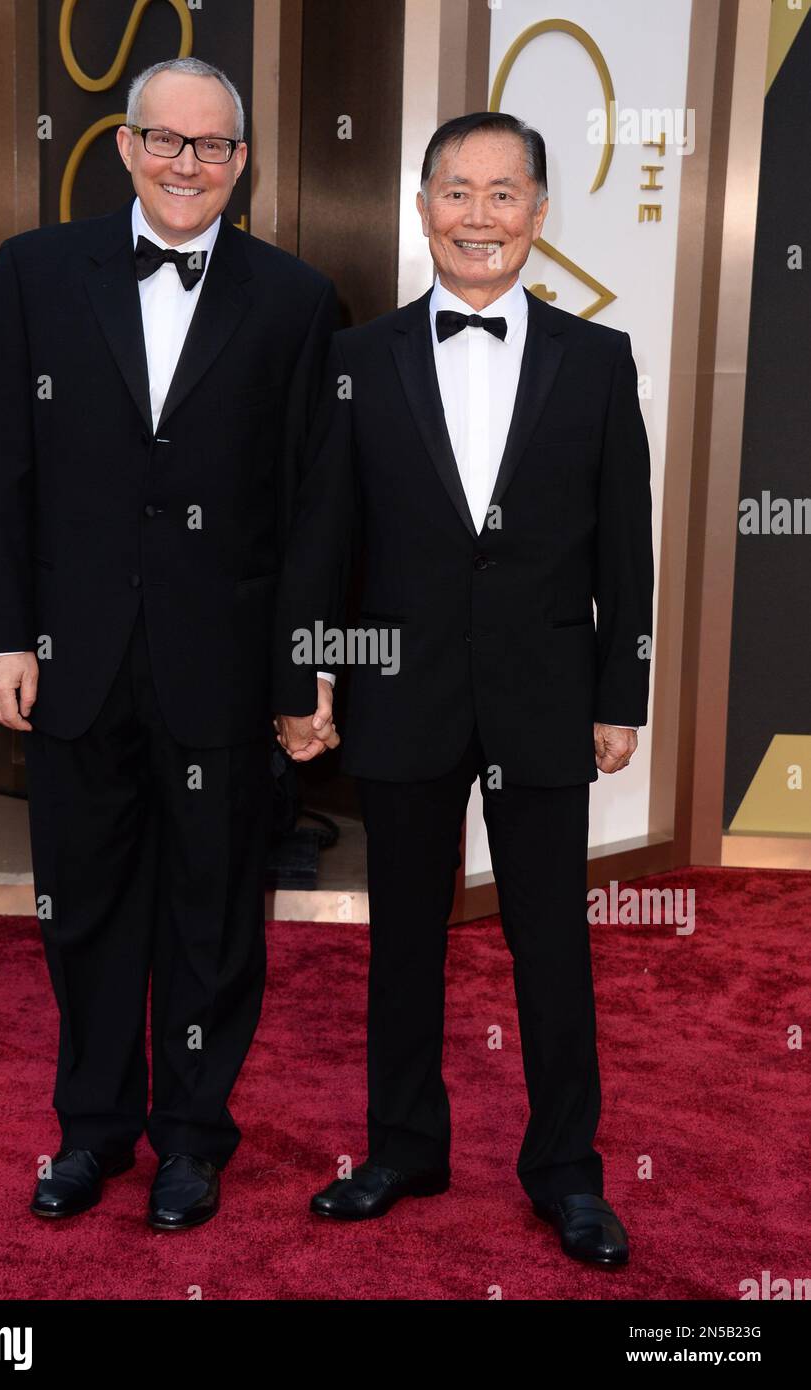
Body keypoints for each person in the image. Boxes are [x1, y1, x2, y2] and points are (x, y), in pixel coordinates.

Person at [274, 112, 653, 1266]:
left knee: (551, 939)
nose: (478, 216)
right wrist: (307, 671)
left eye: (503, 194)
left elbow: (625, 544)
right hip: (402, 692)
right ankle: (402, 1147)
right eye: (456, 191)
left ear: (539, 213)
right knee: (405, 937)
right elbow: (320, 537)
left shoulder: (599, 360)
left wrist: (621, 690)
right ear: (421, 206)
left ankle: (568, 1172)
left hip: (544, 692)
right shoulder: (356, 361)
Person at [0, 56, 337, 1230]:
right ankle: (91, 1134)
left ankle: (191, 1138)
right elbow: (1, 470)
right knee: (81, 912)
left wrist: (299, 671)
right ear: (125, 147)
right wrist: (1, 635)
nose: (188, 164)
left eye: (213, 146)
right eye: (166, 141)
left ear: (243, 163)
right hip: (72, 659)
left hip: (220, 670)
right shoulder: (33, 272)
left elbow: (308, 509)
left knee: (214, 917)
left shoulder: (294, 299)